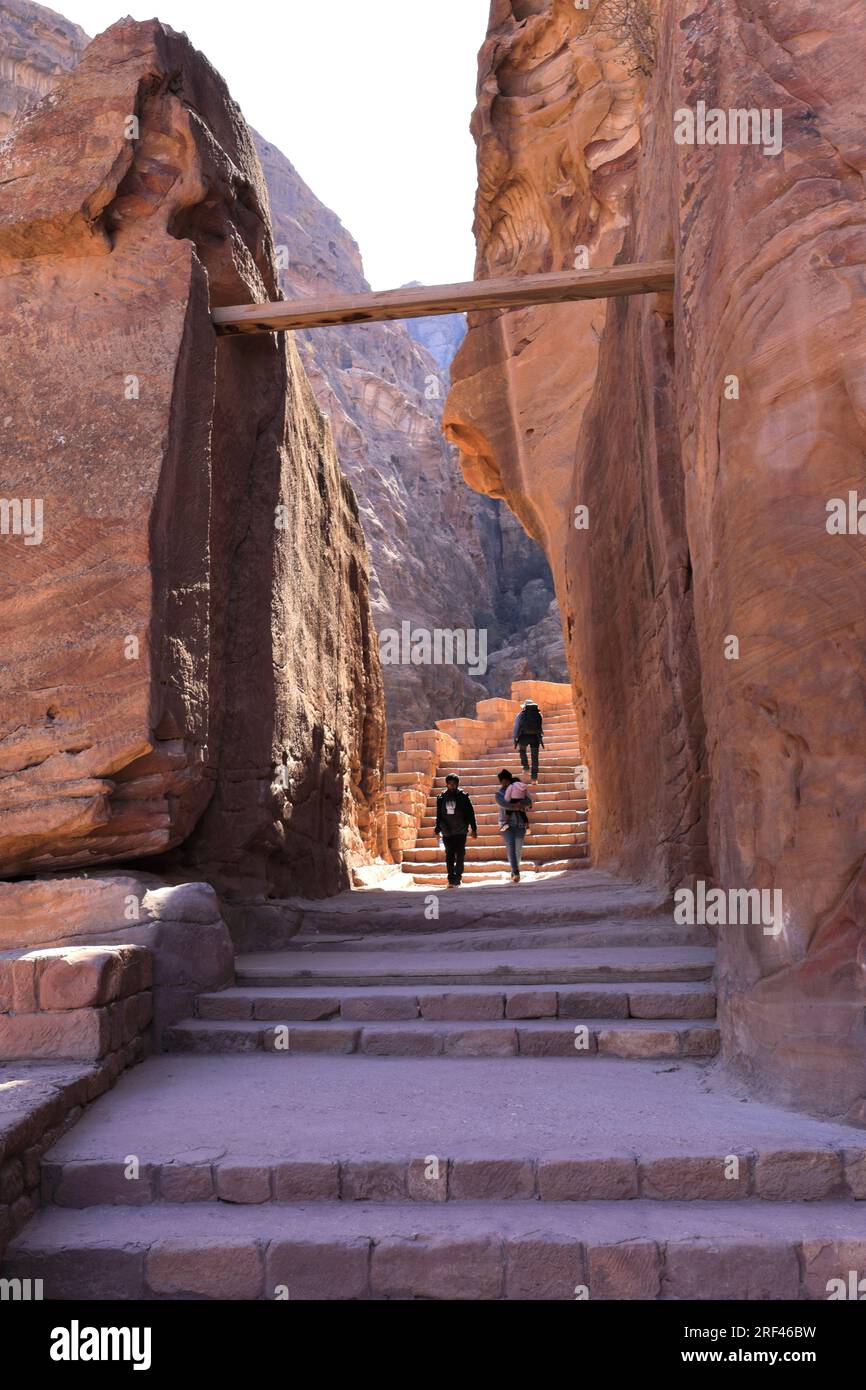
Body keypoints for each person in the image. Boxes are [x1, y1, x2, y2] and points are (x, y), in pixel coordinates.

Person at [434, 774, 478, 888]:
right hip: (447, 831)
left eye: (454, 784)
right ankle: (450, 877)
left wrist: (474, 828)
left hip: (461, 830)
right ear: (446, 784)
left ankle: (458, 877)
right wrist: (437, 829)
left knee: (460, 854)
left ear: (458, 784)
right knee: (449, 855)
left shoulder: (463, 797)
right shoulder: (441, 797)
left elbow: (470, 813)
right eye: (450, 784)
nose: (452, 786)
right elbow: (439, 814)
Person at [496, 769, 532, 883]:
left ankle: (514, 869)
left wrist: (521, 803)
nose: (505, 783)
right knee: (511, 847)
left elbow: (529, 802)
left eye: (507, 780)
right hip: (506, 824)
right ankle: (516, 871)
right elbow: (504, 804)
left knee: (518, 849)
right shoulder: (499, 794)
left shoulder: (518, 790)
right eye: (503, 781)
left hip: (520, 823)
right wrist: (518, 806)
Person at [513, 699, 544, 783]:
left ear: (525, 707)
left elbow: (516, 728)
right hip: (535, 737)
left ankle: (526, 767)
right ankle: (534, 779)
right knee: (535, 757)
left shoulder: (521, 714)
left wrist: (515, 740)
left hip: (523, 737)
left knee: (522, 750)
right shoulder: (538, 714)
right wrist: (541, 737)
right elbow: (540, 727)